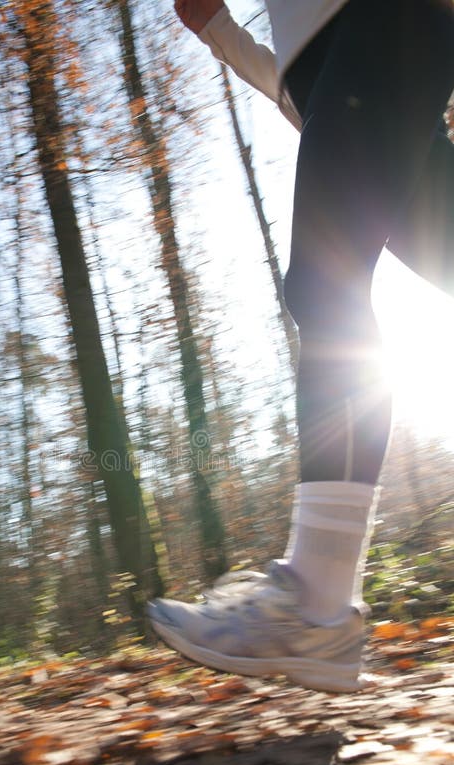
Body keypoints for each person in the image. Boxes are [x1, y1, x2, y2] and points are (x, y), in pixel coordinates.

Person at [148, 0, 454, 692]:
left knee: (325, 286)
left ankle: (315, 603)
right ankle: (315, 607)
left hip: (393, 30)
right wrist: (221, 33)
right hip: (357, 74)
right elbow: (302, 73)